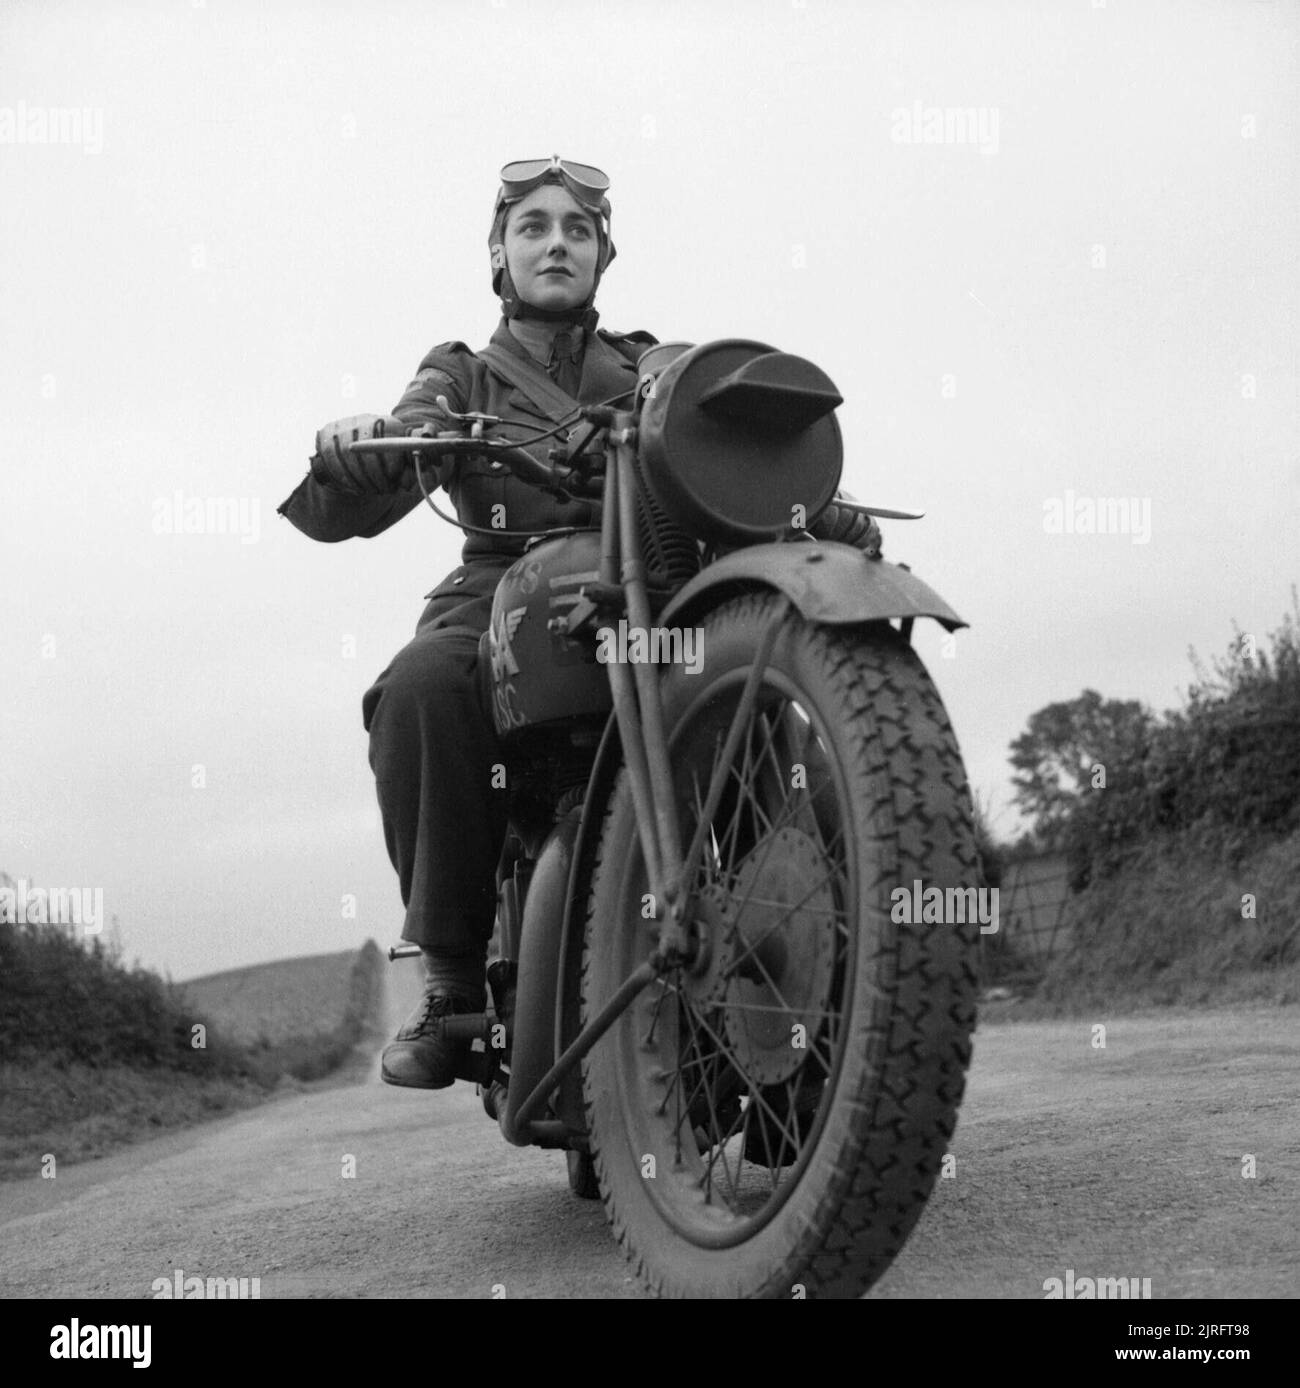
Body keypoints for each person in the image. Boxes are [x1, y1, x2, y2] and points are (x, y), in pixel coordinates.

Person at [278, 157, 883, 1091]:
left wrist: (822, 508)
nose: (555, 242)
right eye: (533, 226)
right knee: (419, 687)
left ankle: (812, 956)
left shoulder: (653, 365)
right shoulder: (463, 373)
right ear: (498, 252)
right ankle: (450, 985)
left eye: (576, 229)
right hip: (499, 590)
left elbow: (730, 446)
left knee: (752, 675)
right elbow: (410, 431)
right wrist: (360, 455)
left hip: (655, 573)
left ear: (604, 253)